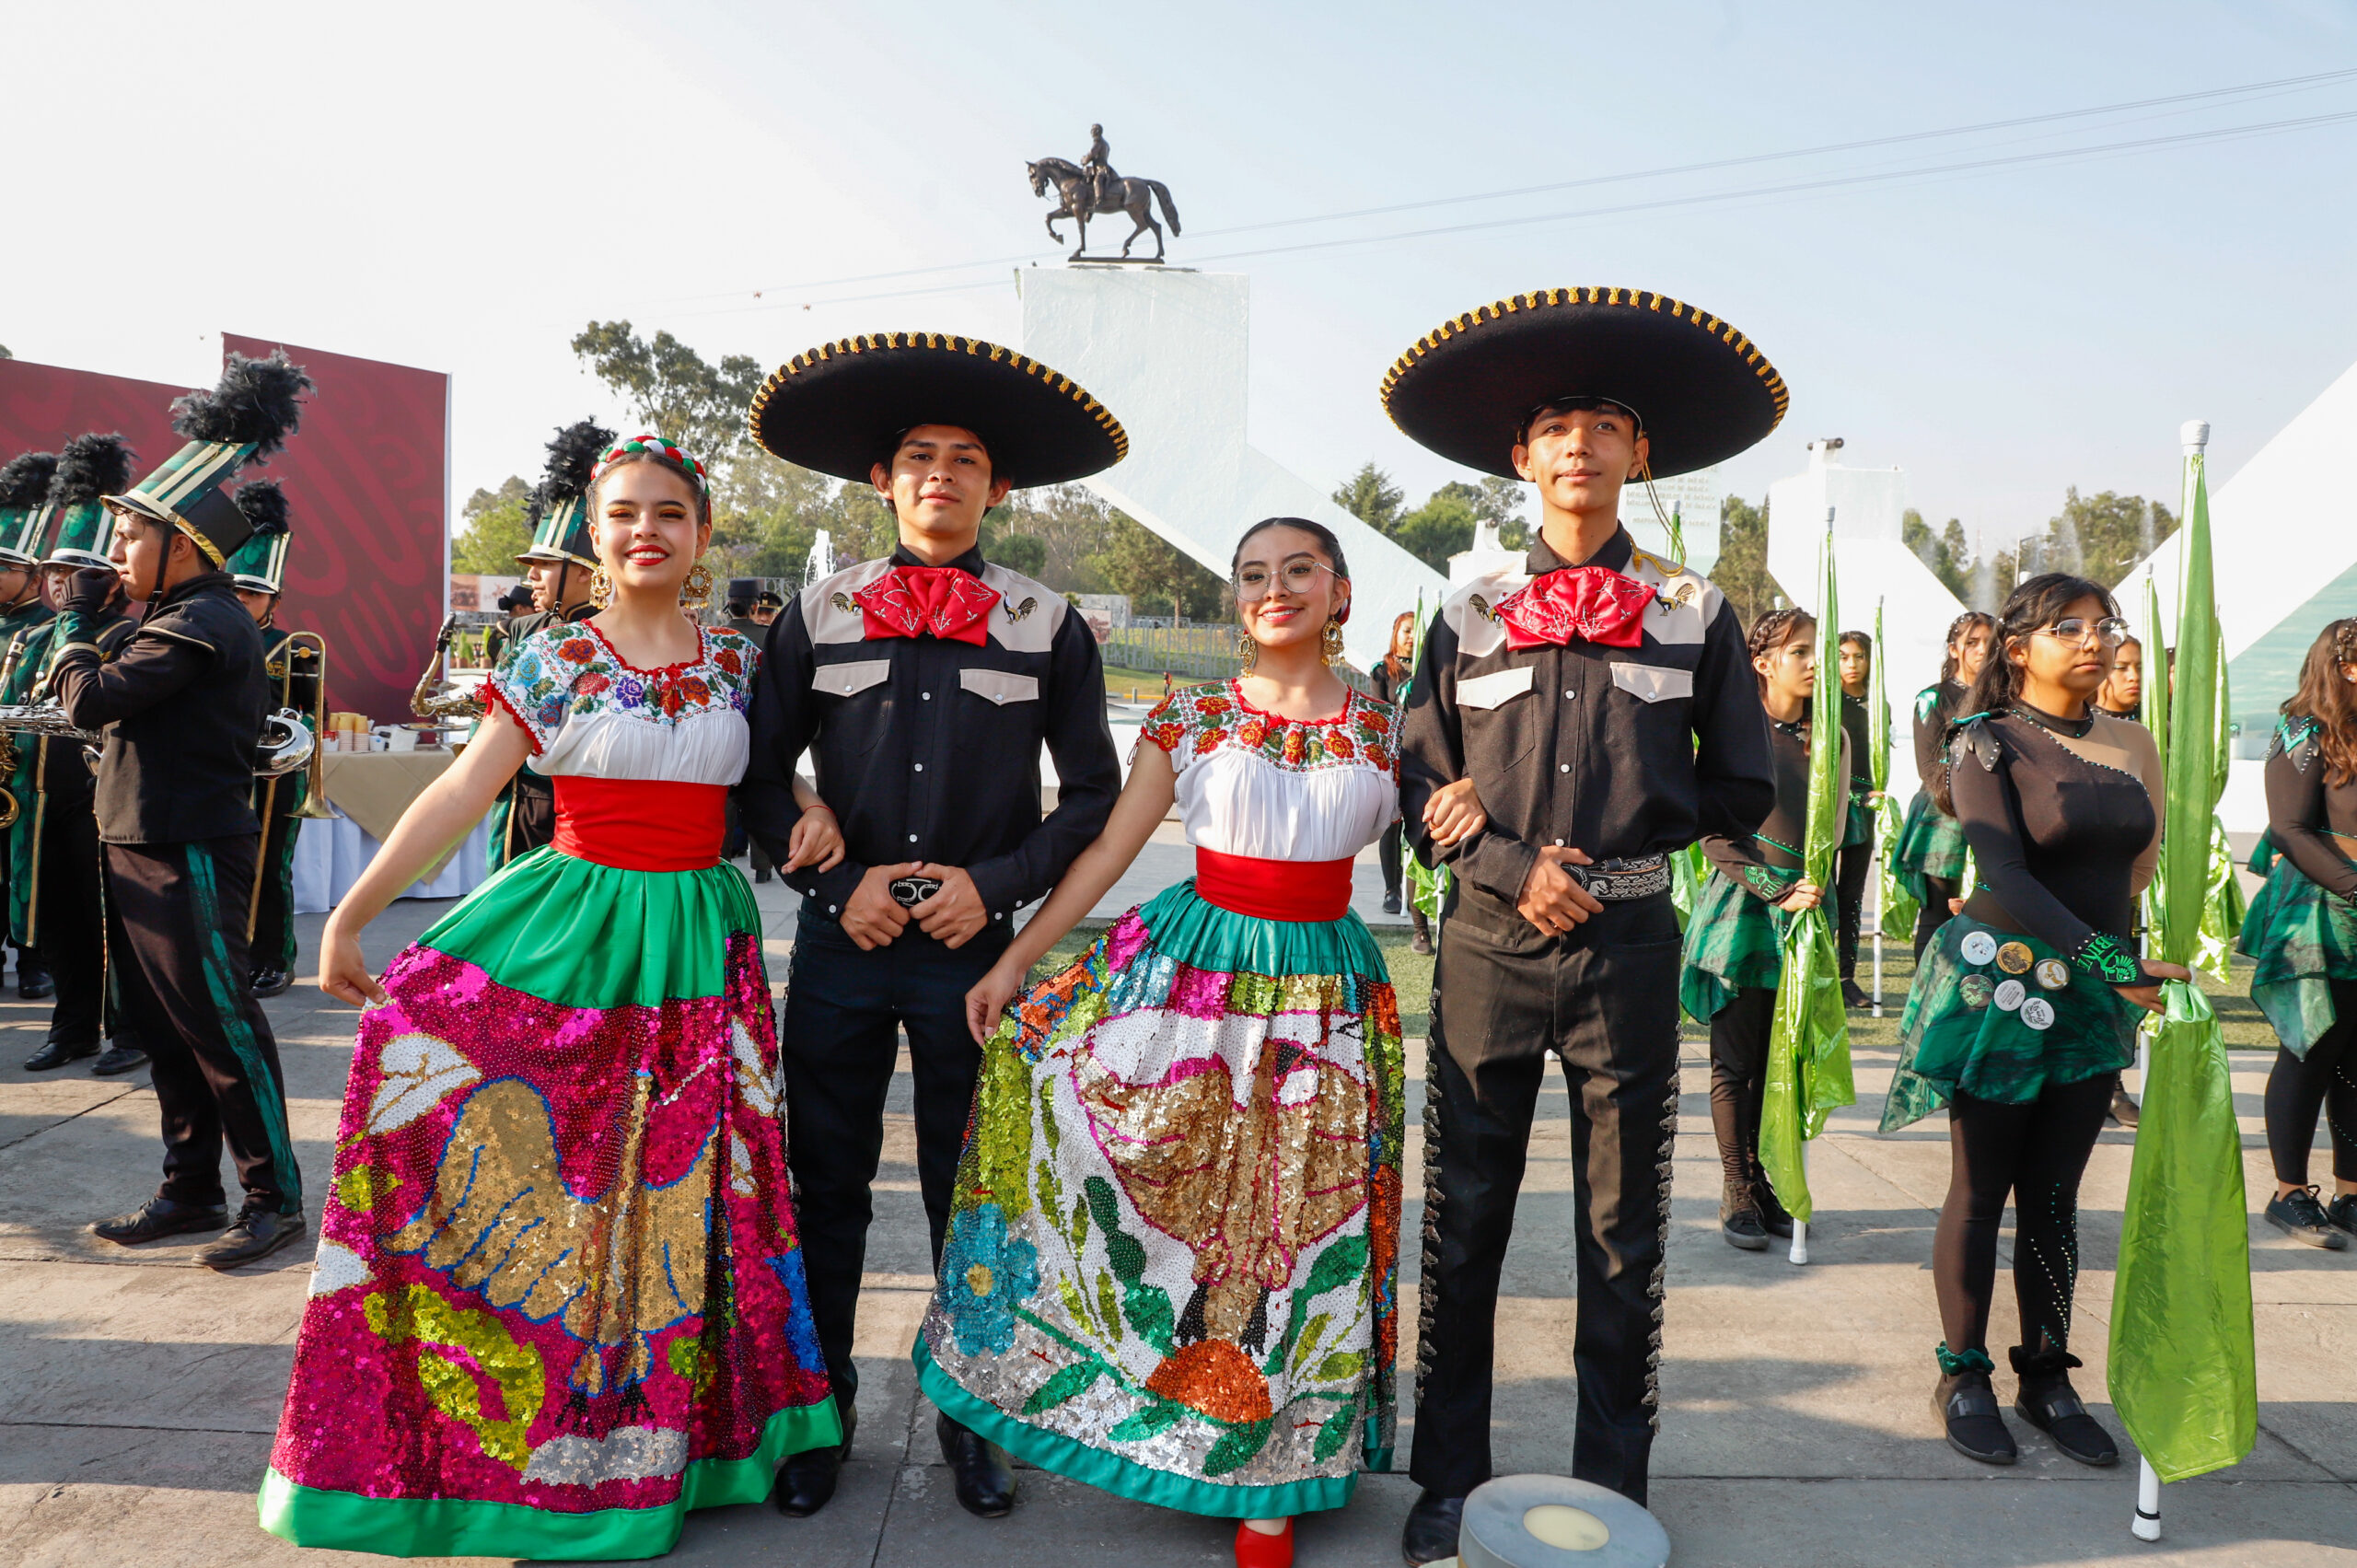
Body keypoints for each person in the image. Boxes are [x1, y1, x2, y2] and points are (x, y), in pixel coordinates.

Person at [263, 435, 842, 1557]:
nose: (646, 532)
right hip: (574, 932)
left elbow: (759, 770)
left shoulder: (736, 656)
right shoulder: (554, 658)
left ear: (703, 532)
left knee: (689, 1197)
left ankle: (685, 1438)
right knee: (563, 1186)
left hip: (699, 939)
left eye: (670, 513)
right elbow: (461, 786)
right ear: (593, 530)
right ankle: (522, 1438)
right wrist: (353, 912)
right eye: (623, 513)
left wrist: (811, 803)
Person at [917, 519, 1479, 1568]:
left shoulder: (1390, 719)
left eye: (1297, 570)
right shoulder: (1193, 712)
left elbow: (1449, 816)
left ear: (1339, 589)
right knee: (1175, 1215)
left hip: (1326, 999)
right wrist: (1015, 959)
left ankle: (1273, 1474)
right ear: (1237, 600)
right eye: (1254, 575)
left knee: (1299, 1233)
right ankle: (1159, 1419)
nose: (1275, 589)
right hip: (1189, 976)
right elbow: (1102, 852)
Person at [1383, 286, 1781, 1562]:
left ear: (1638, 455)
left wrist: (1622, 849)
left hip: (1629, 948)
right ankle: (1447, 1478)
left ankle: (1617, 1481)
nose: (1578, 446)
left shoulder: (1694, 611)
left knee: (1623, 1231)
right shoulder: (1467, 611)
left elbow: (1746, 783)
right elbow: (1415, 774)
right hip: (1488, 947)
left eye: (1605, 425)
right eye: (1555, 426)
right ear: (1522, 457)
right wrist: (1507, 859)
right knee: (1465, 1219)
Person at [740, 332, 1127, 1521]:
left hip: (973, 957)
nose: (942, 475)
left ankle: (970, 1414)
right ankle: (823, 1414)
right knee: (826, 1182)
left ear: (998, 489)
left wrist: (996, 880)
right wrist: (832, 879)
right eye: (920, 456)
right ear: (883, 479)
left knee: (972, 1190)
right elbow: (752, 774)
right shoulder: (818, 611)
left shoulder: (1045, 621)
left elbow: (1097, 793)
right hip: (843, 952)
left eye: (967, 460)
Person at [1879, 574, 2187, 1469]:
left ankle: (2045, 1375)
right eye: (2067, 627)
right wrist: (2110, 962)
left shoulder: (2133, 741)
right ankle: (1963, 1372)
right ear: (2018, 649)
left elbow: (2138, 866)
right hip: (2001, 987)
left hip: (2093, 991)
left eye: (2104, 626)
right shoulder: (1981, 741)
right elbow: (2003, 875)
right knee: (1982, 1189)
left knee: (2055, 1195)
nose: (2093, 641)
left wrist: (2109, 963)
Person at [67, 353, 315, 1267]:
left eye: (130, 537)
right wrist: (91, 640)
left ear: (183, 545)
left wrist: (70, 629)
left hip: (188, 847)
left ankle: (272, 1194)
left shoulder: (205, 619)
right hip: (134, 839)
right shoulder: (160, 615)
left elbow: (89, 698)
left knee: (218, 1026)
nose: (114, 553)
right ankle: (188, 1188)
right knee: (168, 1029)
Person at [1680, 608, 1848, 1250]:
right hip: (1746, 910)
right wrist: (1774, 888)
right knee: (1738, 1060)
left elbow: (1833, 838)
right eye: (1799, 650)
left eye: (1819, 651)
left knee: (1787, 1059)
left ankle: (1768, 1179)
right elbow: (1714, 832)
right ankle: (1735, 1188)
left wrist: (1824, 907)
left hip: (1806, 912)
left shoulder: (1831, 736)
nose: (1813, 662)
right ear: (1761, 660)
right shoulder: (1734, 731)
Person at [8, 434, 145, 1074]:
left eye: (74, 575)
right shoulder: (34, 636)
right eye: (54, 572)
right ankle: (72, 1027)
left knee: (114, 923)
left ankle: (130, 1032)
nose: (59, 583)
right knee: (59, 916)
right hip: (39, 800)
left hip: (102, 799)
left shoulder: (124, 634)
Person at [2240, 619, 2357, 1249]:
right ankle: (2289, 1193)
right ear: (2346, 668)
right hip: (2319, 912)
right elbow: (2289, 827)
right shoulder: (2303, 730)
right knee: (2312, 1048)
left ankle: (2351, 1193)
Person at [487, 420, 612, 872]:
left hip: (576, 824)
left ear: (586, 570)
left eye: (544, 564)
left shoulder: (618, 632)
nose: (531, 577)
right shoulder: (525, 629)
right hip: (519, 805)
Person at [223, 480, 318, 998]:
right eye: (235, 589)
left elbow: (312, 714)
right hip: (223, 770)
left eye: (253, 592)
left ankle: (275, 958)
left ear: (273, 600)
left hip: (277, 778)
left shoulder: (295, 649)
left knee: (270, 868)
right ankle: (233, 954)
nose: (242, 600)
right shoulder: (211, 635)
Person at [1896, 612, 1994, 958]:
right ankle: (1928, 992)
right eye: (1972, 642)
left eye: (1990, 642)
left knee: (1994, 911)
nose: (1983, 650)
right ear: (1954, 649)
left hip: (1994, 816)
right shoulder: (1931, 699)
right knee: (1937, 914)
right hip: (1941, 813)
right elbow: (1928, 767)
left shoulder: (2005, 700)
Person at [0, 448, 60, 1002]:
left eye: (2, 566)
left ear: (32, 575)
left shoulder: (49, 630)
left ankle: (34, 958)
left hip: (29, 769)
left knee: (29, 863)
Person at [1372, 610, 1424, 939]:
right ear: (1395, 633)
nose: (1409, 637)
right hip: (1391, 754)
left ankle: (1417, 889)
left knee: (1418, 822)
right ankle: (1392, 889)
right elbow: (1379, 713)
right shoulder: (1382, 672)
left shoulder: (1427, 669)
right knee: (1391, 826)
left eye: (1414, 631)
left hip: (1420, 757)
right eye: (1405, 630)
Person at [1835, 630, 1877, 1007]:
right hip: (1830, 803)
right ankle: (1820, 973)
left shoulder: (1878, 704)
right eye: (1844, 656)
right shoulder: (1825, 702)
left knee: (1851, 896)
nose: (1852, 664)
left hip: (1866, 807)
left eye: (1858, 656)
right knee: (1822, 891)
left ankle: (1847, 976)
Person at [2095, 632, 2142, 720]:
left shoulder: (2159, 723)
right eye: (2121, 667)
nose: (2135, 677)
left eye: (2140, 668)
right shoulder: (2082, 727)